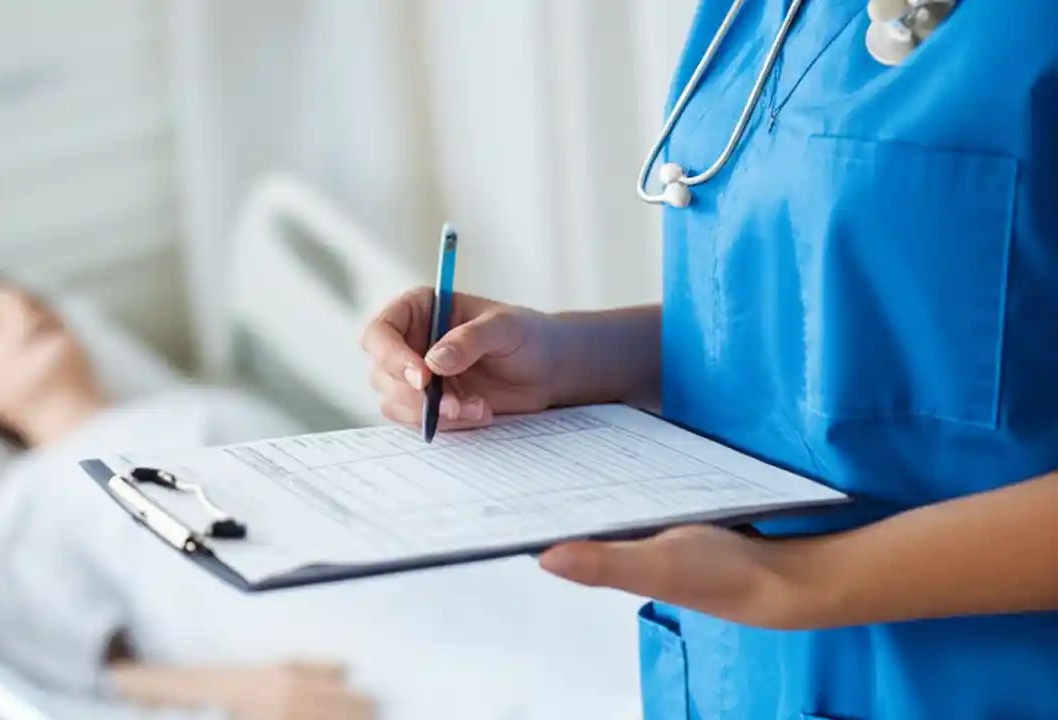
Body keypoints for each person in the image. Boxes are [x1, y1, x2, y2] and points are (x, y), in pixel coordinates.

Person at [361, 2, 1058, 718]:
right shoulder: (759, 17)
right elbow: (852, 323)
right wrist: (570, 359)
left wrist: (793, 583)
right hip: (739, 673)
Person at [0, 276, 638, 720]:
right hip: (298, 621)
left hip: (429, 548)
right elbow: (87, 675)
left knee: (613, 623)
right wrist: (242, 691)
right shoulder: (23, 508)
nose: (24, 315)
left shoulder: (201, 404)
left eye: (30, 302)